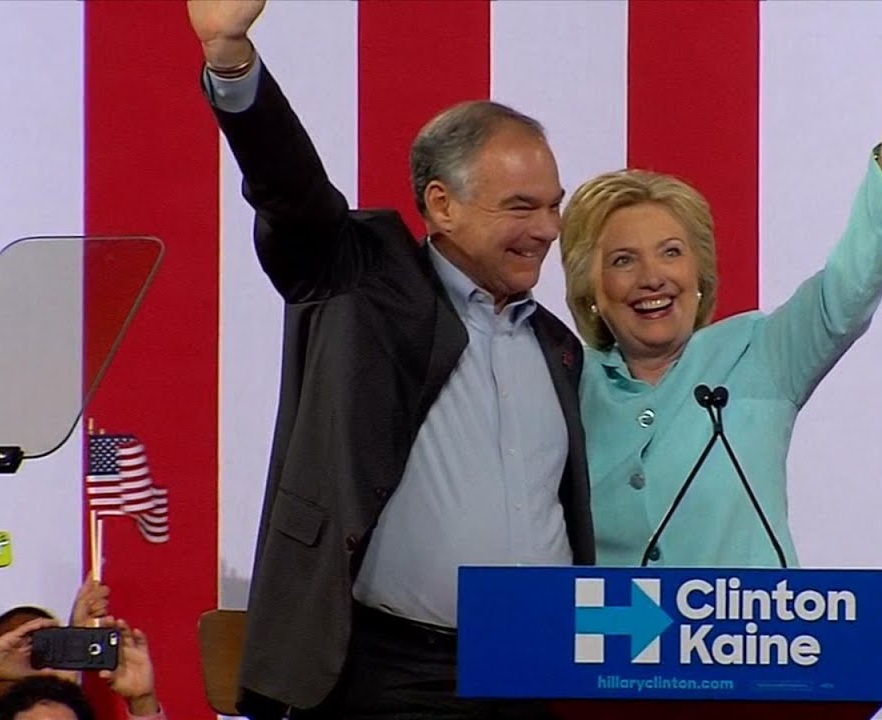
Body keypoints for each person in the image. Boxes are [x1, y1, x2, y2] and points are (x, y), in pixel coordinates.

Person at [184, 1, 594, 718]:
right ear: (442, 204)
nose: (547, 230)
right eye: (521, 207)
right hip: (396, 675)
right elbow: (292, 194)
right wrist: (231, 56)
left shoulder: (558, 346)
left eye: (553, 207)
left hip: (538, 667)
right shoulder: (362, 279)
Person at [559, 38, 882, 568]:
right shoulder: (563, 385)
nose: (652, 279)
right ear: (591, 289)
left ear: (699, 275)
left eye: (671, 253)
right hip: (611, 623)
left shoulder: (760, 355)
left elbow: (848, 288)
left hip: (752, 622)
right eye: (623, 260)